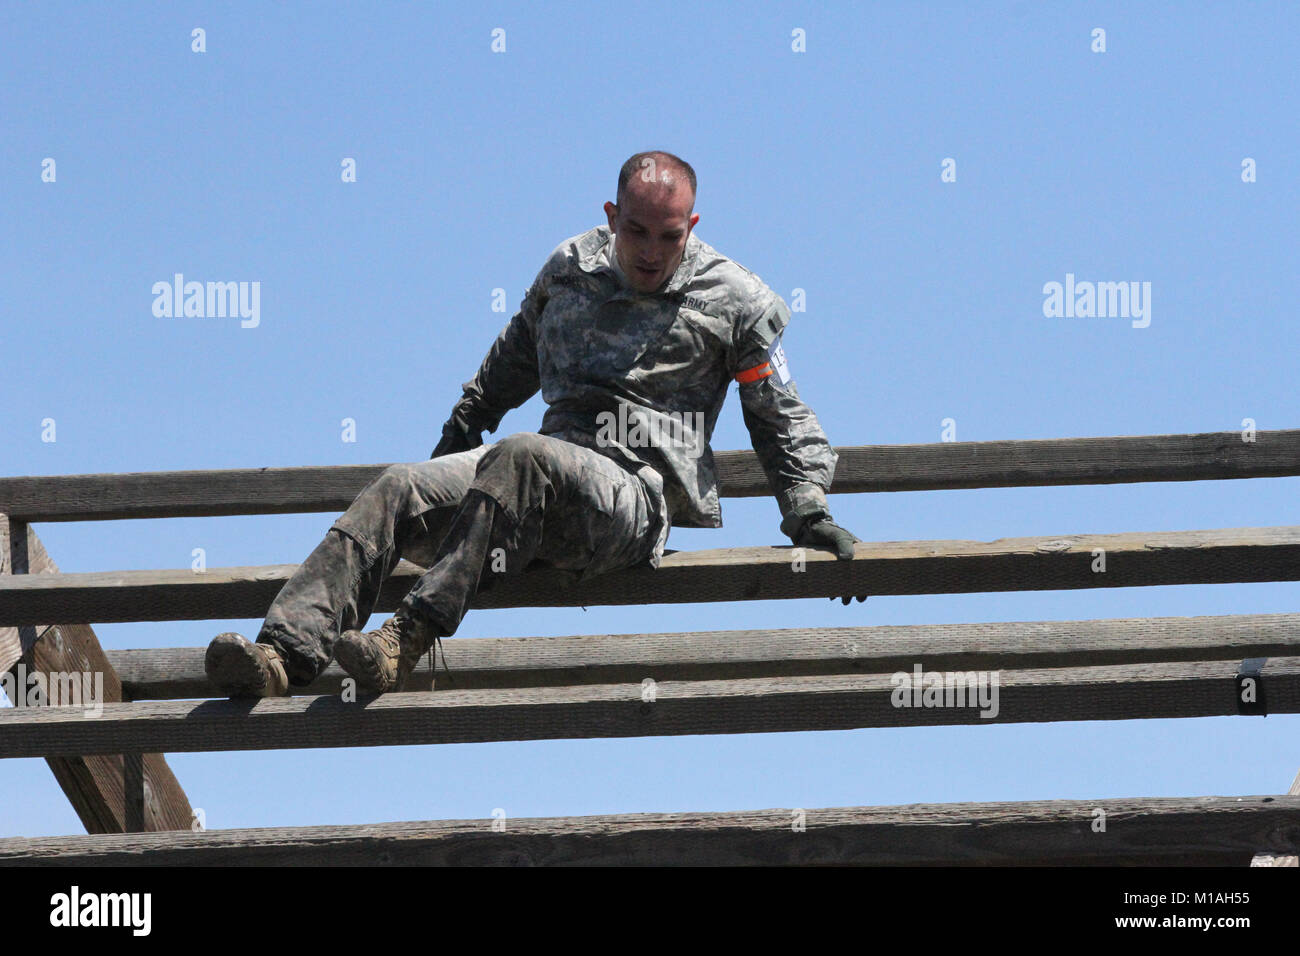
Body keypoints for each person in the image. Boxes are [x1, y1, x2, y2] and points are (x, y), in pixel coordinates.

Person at [204, 150, 862, 699]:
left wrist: (808, 510)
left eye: (670, 235)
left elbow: (779, 411)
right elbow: (512, 359)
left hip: (628, 503)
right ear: (612, 218)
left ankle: (404, 640)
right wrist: (461, 431)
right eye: (637, 231)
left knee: (521, 454)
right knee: (400, 484)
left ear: (692, 224)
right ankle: (280, 659)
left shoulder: (737, 301)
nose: (652, 251)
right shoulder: (569, 270)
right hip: (524, 493)